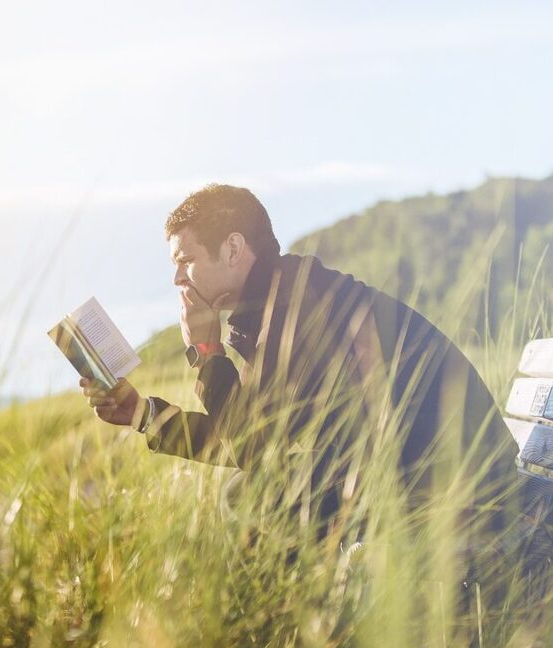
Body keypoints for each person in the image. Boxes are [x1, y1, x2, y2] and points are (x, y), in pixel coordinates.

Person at [80, 184, 522, 560]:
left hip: (462, 493)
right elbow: (250, 437)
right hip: (418, 475)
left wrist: (209, 352)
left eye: (186, 259)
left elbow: (252, 446)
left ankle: (310, 645)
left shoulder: (298, 306)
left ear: (233, 249)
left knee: (251, 494)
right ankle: (311, 637)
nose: (177, 277)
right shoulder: (277, 301)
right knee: (251, 490)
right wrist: (140, 412)